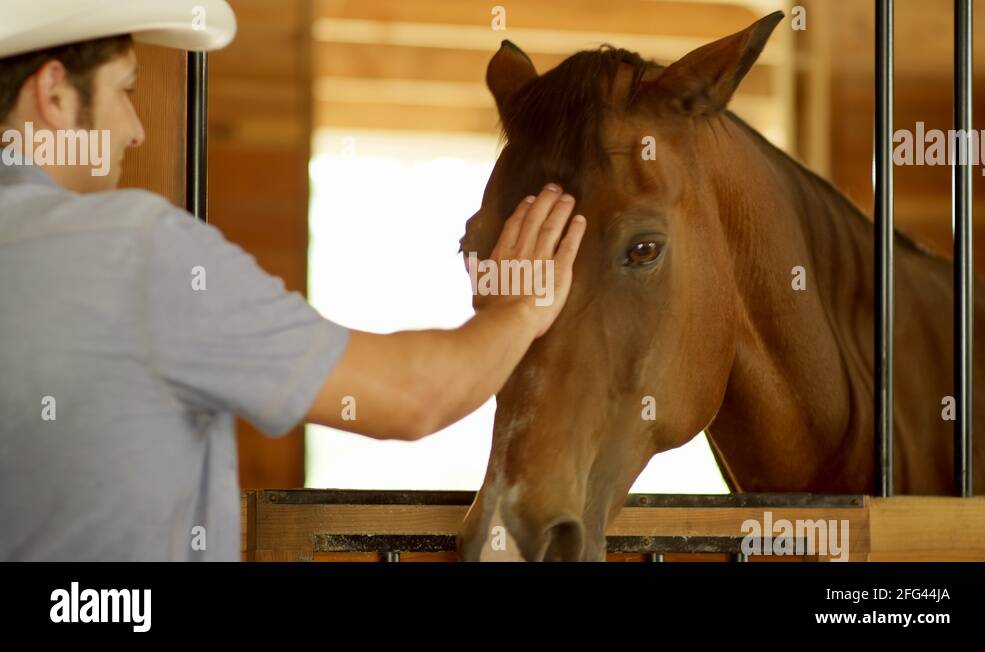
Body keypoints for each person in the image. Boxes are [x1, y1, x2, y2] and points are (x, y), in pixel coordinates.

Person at [0, 0, 587, 560]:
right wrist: (519, 311)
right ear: (53, 92)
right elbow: (411, 398)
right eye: (125, 90)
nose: (135, 130)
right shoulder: (134, 251)